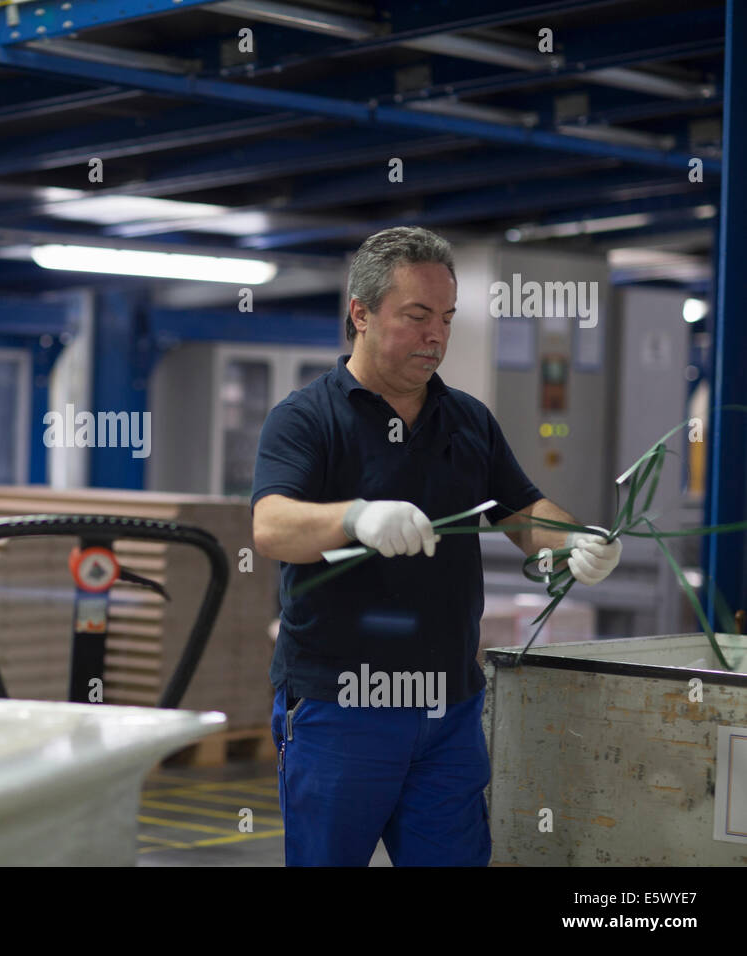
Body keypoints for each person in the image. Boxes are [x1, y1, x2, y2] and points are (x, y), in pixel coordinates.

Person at [250, 226, 621, 866]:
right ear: (360, 314)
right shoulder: (308, 418)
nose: (437, 336)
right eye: (417, 316)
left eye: (447, 318)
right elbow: (271, 524)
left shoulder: (468, 419)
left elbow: (521, 509)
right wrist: (355, 518)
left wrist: (575, 540)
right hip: (344, 709)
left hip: (447, 709)